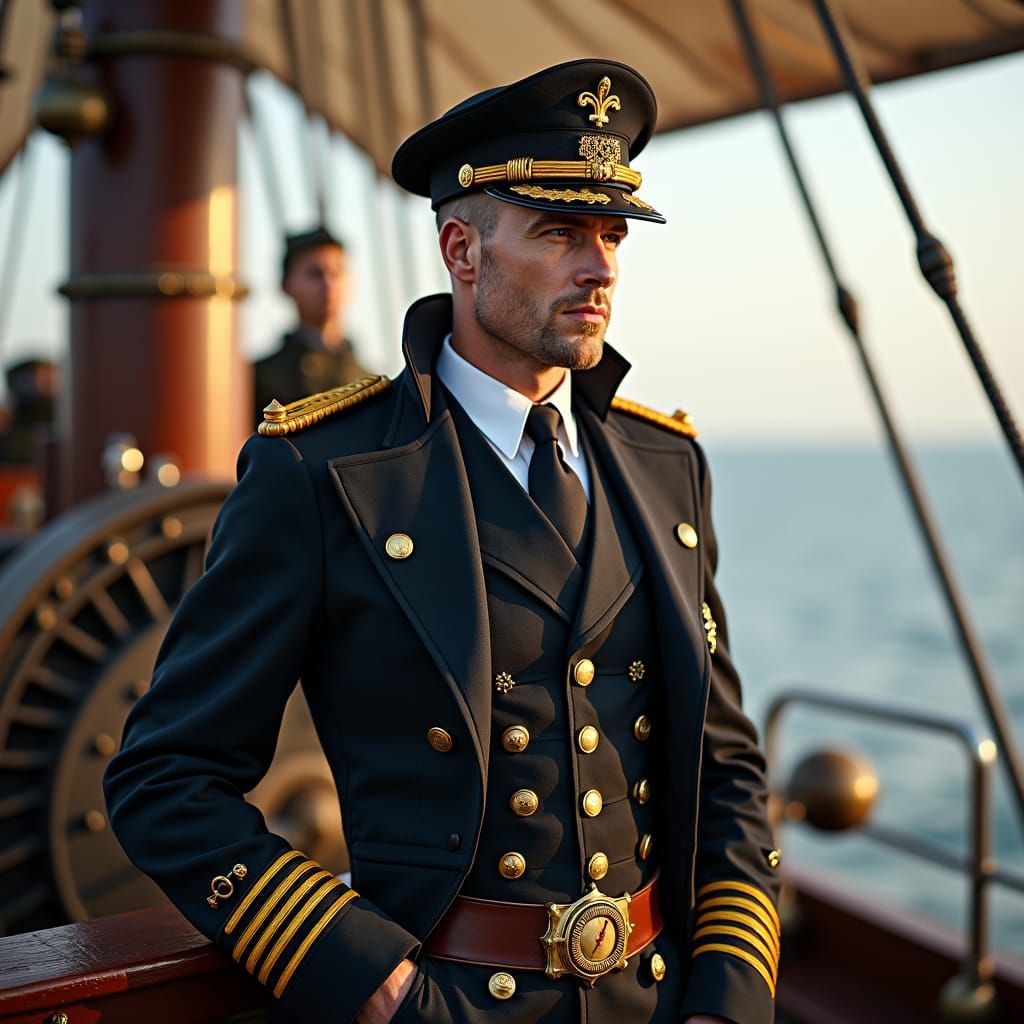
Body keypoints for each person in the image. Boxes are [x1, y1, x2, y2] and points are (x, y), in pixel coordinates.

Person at [105, 59, 780, 1024]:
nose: (601, 269)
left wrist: (730, 995)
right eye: (559, 233)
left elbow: (726, 764)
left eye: (612, 235)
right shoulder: (322, 474)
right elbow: (164, 779)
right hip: (450, 1003)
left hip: (660, 997)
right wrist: (365, 978)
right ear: (461, 251)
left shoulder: (666, 462)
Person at [252, 226, 370, 425]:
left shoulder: (368, 381)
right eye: (315, 274)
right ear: (286, 286)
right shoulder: (259, 378)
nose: (328, 285)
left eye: (337, 273)